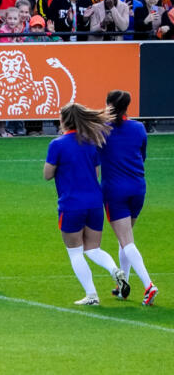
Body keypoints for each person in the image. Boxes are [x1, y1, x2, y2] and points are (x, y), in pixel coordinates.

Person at [43, 103, 129, 306]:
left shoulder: (57, 144)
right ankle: (115, 270)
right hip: (95, 203)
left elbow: (47, 174)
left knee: (75, 252)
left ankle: (92, 295)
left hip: (71, 204)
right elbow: (96, 172)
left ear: (64, 120)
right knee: (93, 249)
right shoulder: (91, 141)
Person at [100, 91, 158, 305]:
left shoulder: (102, 129)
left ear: (108, 105)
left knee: (126, 241)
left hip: (115, 190)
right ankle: (123, 286)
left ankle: (148, 285)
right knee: (124, 238)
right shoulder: (139, 128)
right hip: (137, 188)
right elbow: (142, 156)